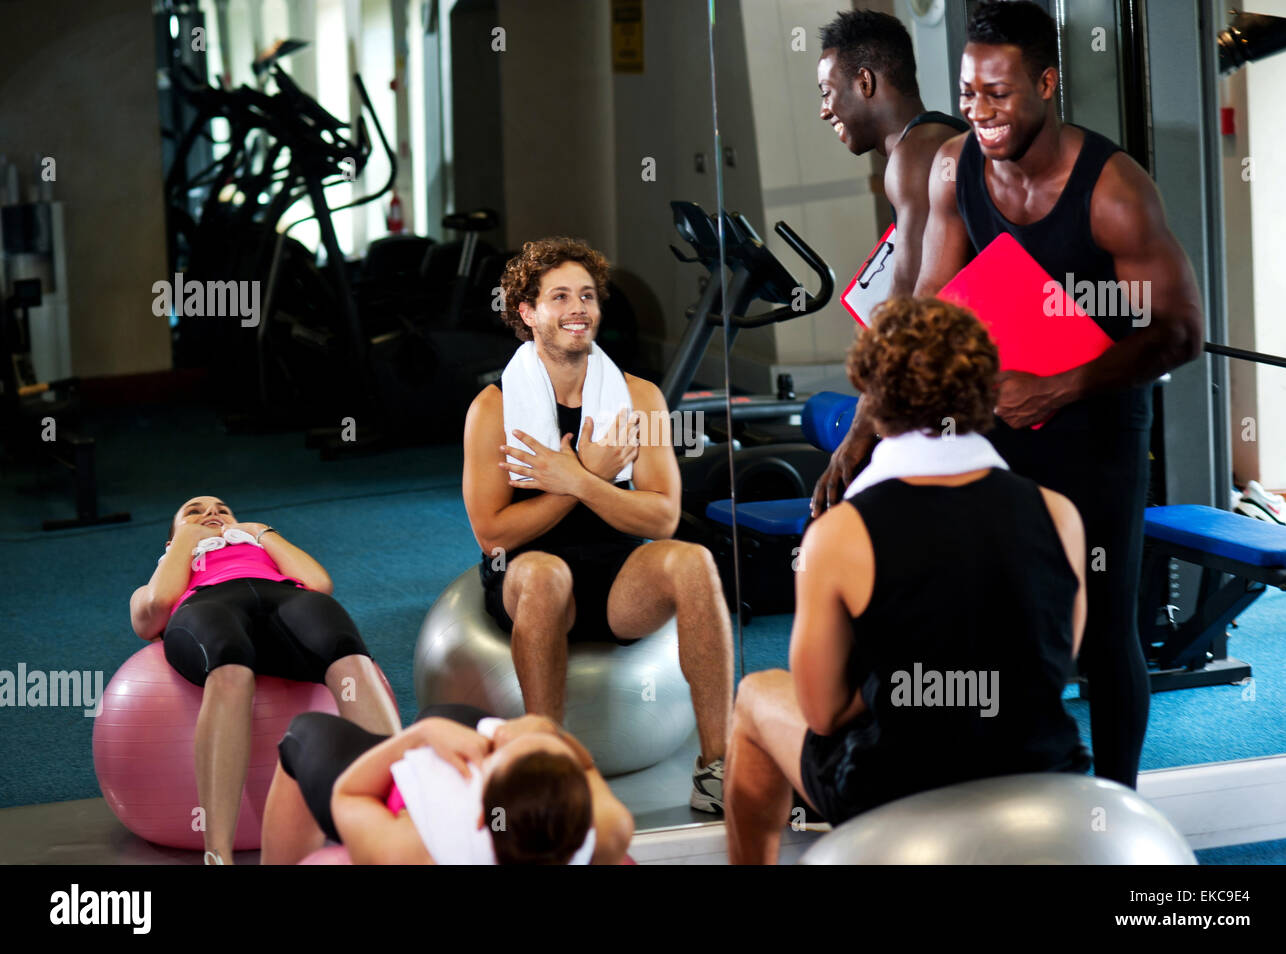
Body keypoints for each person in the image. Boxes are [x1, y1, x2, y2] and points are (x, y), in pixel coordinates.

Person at [909, 0, 1203, 787]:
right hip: (995, 416)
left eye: (998, 94)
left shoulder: (1113, 189)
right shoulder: (954, 168)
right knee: (986, 615)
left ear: (1047, 82)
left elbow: (1178, 332)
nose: (978, 111)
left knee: (1104, 629)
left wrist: (1058, 388)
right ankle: (1007, 795)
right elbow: (932, 304)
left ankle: (1118, 806)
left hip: (1095, 427)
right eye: (968, 92)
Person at [725, 296, 1092, 865]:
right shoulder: (1058, 512)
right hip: (1045, 773)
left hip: (900, 789)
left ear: (873, 399)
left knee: (752, 696)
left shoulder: (841, 534)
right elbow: (1054, 662)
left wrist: (889, 683)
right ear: (986, 387)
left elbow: (821, 714)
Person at [462, 237, 733, 812]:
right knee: (543, 577)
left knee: (694, 560)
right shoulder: (492, 408)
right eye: (559, 296)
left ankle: (719, 763)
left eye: (586, 295)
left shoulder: (641, 397)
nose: (578, 308)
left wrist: (579, 480)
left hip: (618, 575)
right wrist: (587, 472)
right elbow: (493, 534)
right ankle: (545, 769)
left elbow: (662, 515)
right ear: (527, 313)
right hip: (529, 572)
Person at [129, 495, 401, 864]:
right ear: (170, 539)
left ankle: (404, 816)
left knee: (346, 652)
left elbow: (319, 582)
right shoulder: (169, 568)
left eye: (223, 509)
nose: (212, 512)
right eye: (194, 511)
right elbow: (157, 607)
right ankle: (217, 854)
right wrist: (185, 542)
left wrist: (262, 534)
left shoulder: (258, 546)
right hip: (207, 604)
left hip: (286, 599)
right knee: (230, 668)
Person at [812, 8, 969, 514]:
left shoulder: (916, 154)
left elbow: (910, 315)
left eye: (826, 92)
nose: (823, 111)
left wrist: (857, 439)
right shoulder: (934, 141)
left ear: (864, 81)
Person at [261, 704, 634, 865]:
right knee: (448, 712)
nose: (496, 738)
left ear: (481, 817)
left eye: (490, 753)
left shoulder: (406, 852)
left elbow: (350, 793)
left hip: (390, 792)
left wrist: (421, 736)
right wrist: (546, 727)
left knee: (302, 733)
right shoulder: (609, 830)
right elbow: (584, 766)